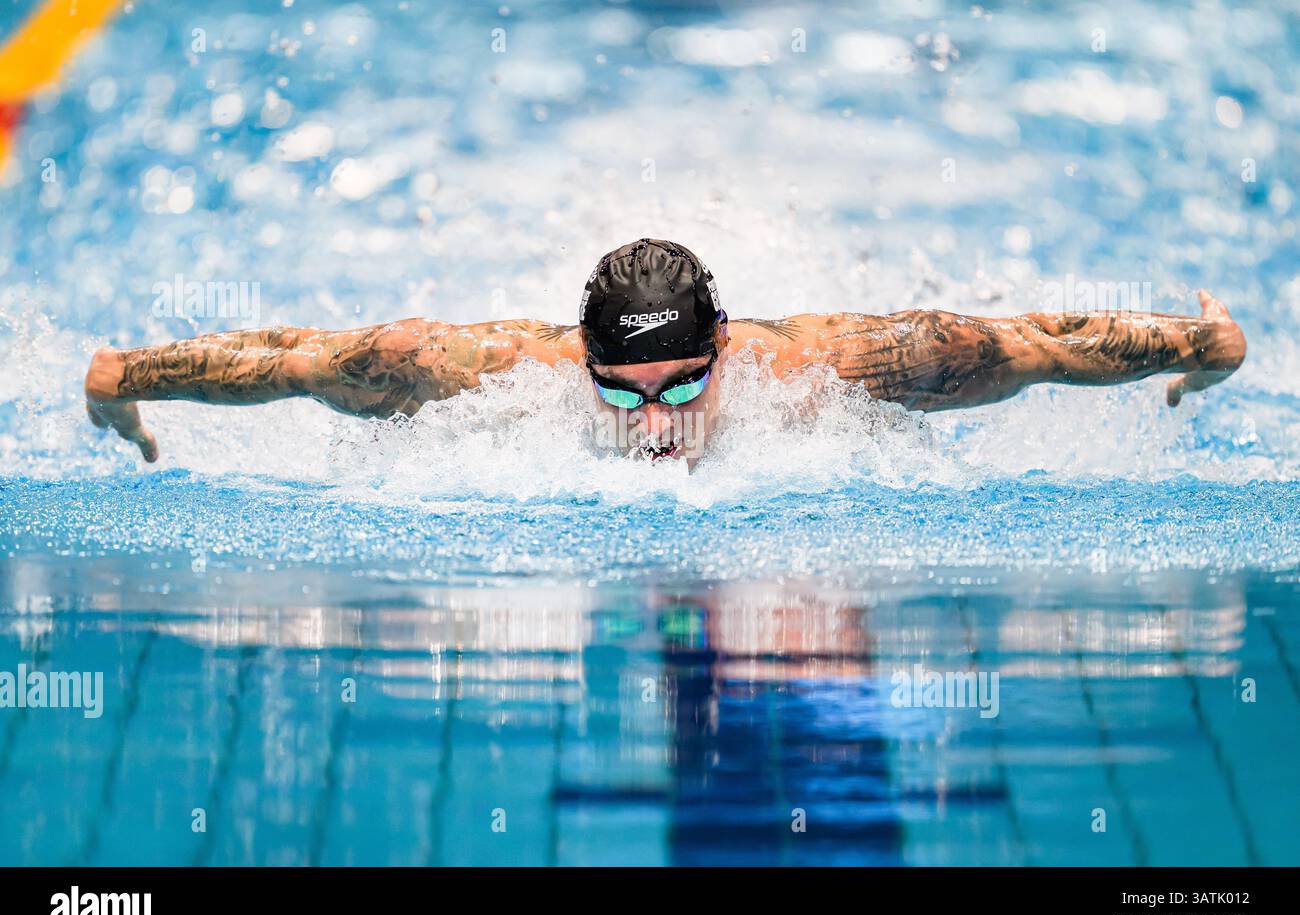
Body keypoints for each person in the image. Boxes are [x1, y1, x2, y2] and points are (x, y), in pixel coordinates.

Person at [84, 237, 1246, 469]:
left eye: (686, 383)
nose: (657, 426)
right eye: (621, 390)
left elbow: (1038, 341)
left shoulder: (855, 370)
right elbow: (291, 356)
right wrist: (125, 381)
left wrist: (1198, 344)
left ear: (726, 347)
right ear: (572, 356)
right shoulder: (464, 372)